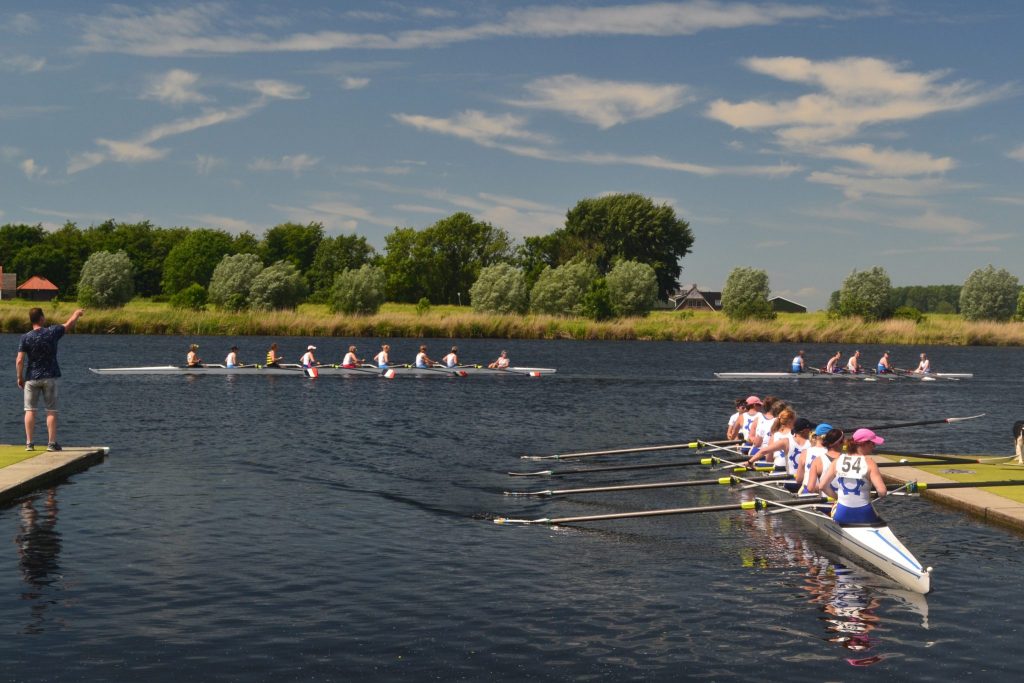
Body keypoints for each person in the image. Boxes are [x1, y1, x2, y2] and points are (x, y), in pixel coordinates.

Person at [16, 306, 84, 452]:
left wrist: (19, 377)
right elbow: (68, 325)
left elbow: (19, 360)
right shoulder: (52, 332)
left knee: (30, 410)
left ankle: (29, 443)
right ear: (41, 318)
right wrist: (76, 314)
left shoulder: (25, 337)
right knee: (51, 411)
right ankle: (51, 444)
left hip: (31, 378)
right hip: (50, 377)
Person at [818, 428, 888, 525]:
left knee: (836, 507)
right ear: (863, 443)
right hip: (865, 515)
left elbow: (822, 486)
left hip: (842, 514)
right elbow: (882, 492)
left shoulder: (837, 461)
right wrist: (874, 495)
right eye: (872, 443)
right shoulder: (870, 463)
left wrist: (837, 497)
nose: (874, 446)